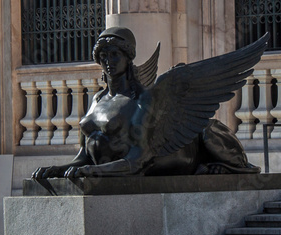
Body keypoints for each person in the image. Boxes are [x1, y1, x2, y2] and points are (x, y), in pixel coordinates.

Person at [32, 26, 261, 179]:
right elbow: (83, 157)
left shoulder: (143, 100)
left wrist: (91, 172)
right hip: (103, 168)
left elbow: (136, 162)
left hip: (153, 163)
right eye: (103, 56)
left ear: (128, 57)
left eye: (115, 55)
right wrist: (56, 170)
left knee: (208, 130)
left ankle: (234, 166)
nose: (108, 61)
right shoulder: (97, 99)